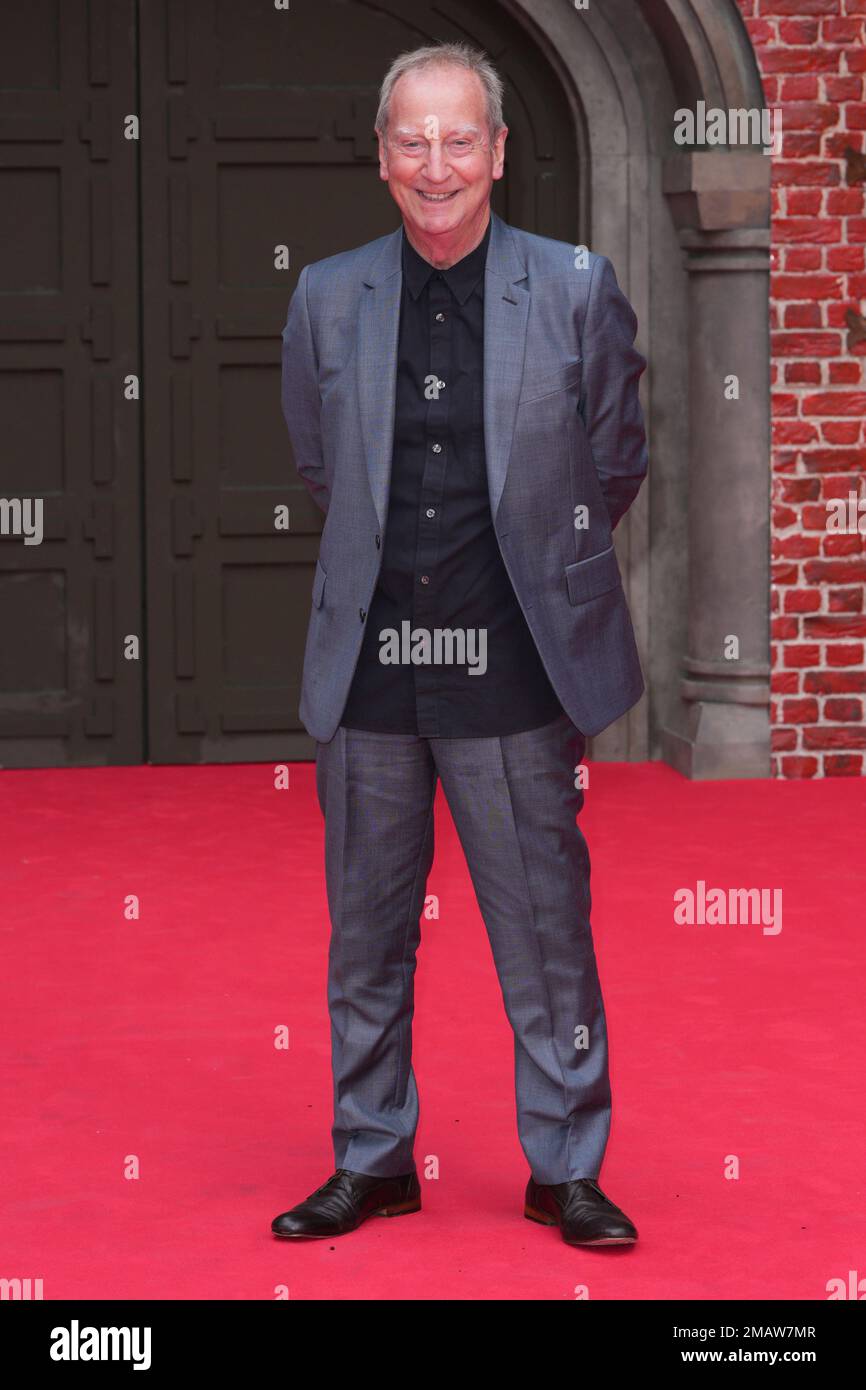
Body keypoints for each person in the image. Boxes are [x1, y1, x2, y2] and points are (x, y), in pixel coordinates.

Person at [272, 39, 648, 1248]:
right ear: (381, 158)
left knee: (544, 934)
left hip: (514, 664)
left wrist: (530, 569)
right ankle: (372, 1155)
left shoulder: (575, 286)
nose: (435, 163)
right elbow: (321, 464)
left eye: (458, 138)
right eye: (410, 140)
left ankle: (565, 1167)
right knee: (364, 937)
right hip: (373, 665)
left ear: (496, 151)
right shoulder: (328, 294)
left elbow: (614, 462)